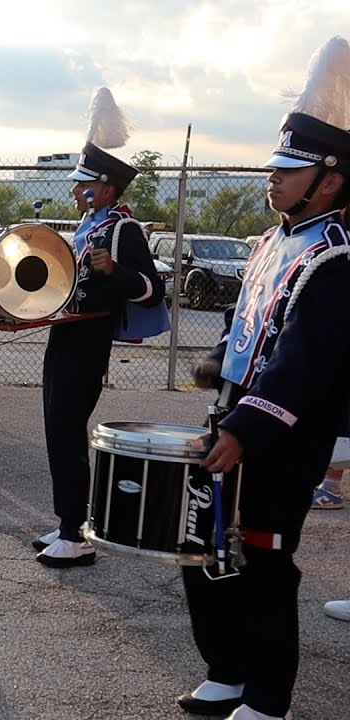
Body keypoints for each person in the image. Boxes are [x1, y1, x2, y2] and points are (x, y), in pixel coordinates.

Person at [177, 39, 350, 720]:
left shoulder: (336, 261)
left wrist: (246, 429)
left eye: (288, 170)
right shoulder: (274, 243)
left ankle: (268, 696)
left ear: (331, 179)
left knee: (264, 560)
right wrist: (216, 362)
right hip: (233, 419)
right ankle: (225, 666)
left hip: (277, 436)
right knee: (203, 542)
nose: (272, 180)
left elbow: (305, 361)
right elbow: (245, 320)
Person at [33, 88, 163, 569]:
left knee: (67, 429)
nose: (76, 190)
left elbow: (151, 289)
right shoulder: (87, 226)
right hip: (64, 333)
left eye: (84, 183)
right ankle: (67, 520)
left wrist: (115, 273)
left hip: (89, 341)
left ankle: (76, 533)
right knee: (54, 428)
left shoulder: (122, 230)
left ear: (107, 188)